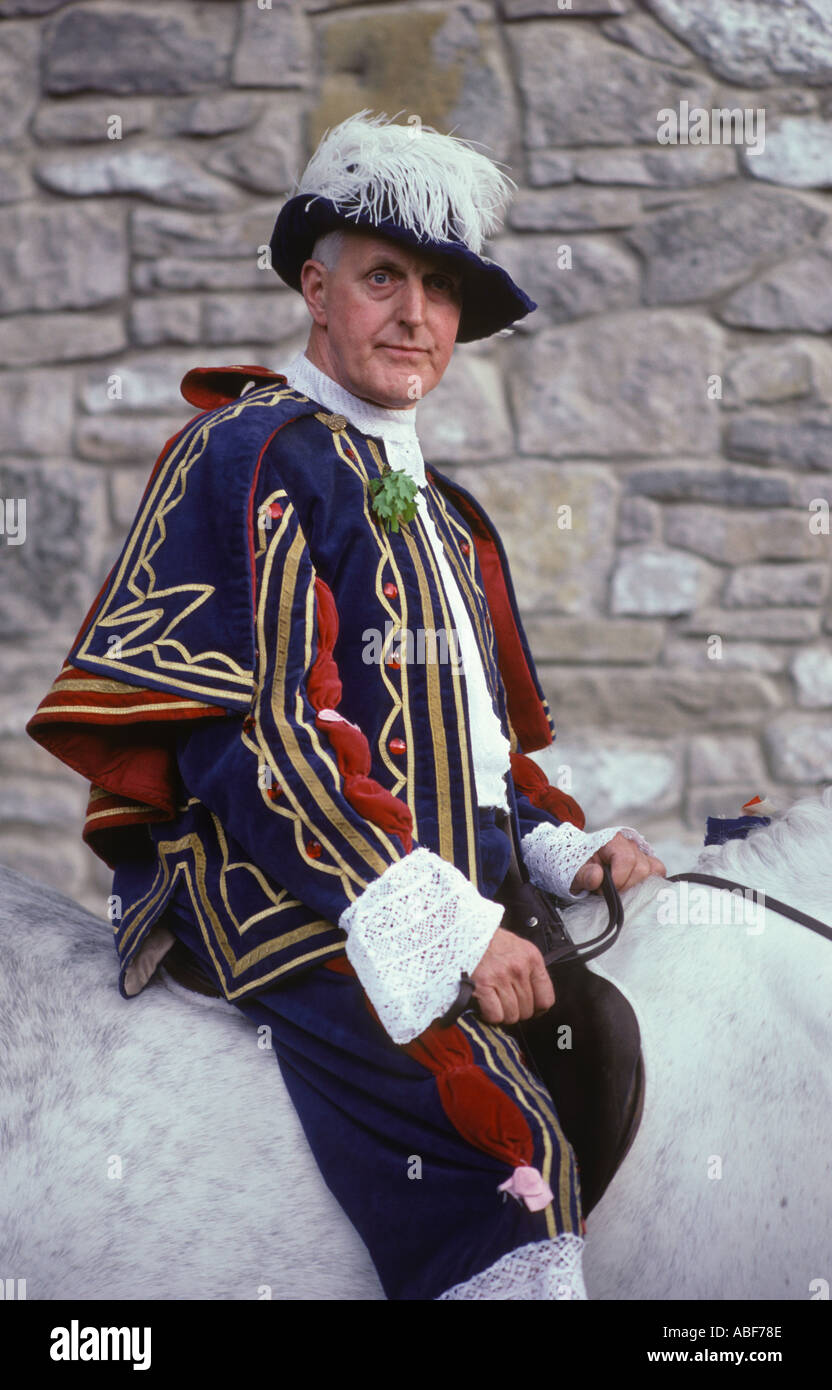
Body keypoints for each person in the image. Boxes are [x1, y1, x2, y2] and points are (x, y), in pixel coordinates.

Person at [27, 111, 665, 1300]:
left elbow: (472, 744)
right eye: (382, 278)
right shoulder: (250, 452)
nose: (415, 315)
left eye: (437, 288)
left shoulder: (444, 508)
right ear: (317, 290)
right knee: (495, 1158)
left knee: (614, 1046)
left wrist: (561, 846)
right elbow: (258, 737)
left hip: (450, 871)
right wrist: (451, 928)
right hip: (283, 882)